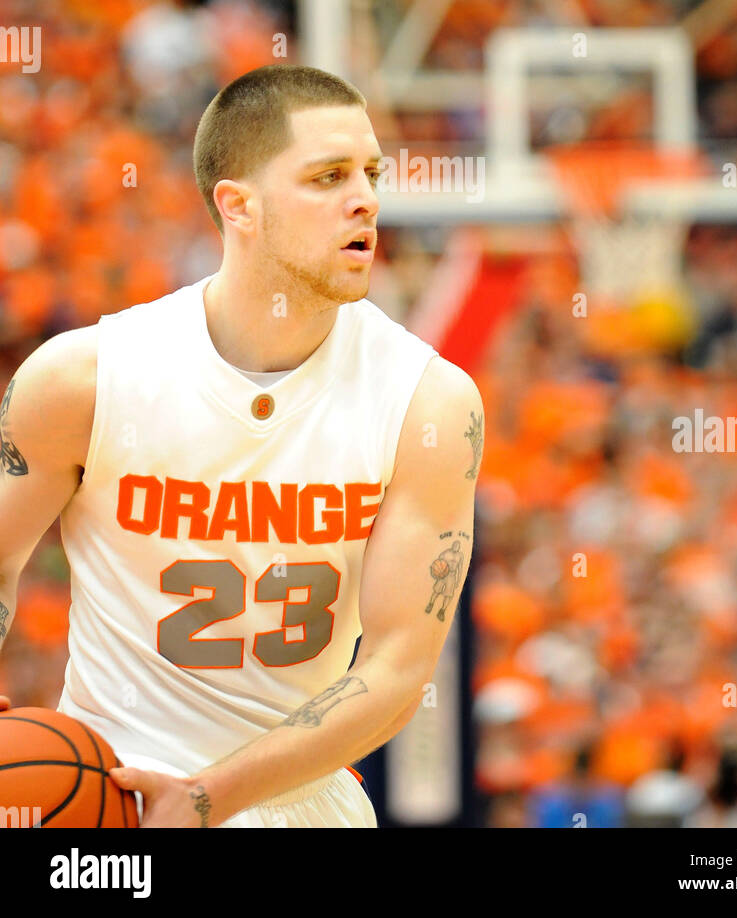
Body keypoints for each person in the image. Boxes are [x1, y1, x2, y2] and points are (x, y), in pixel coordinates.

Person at [0, 65, 483, 828]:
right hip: (110, 793)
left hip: (302, 804)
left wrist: (205, 799)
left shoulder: (430, 403)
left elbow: (397, 669)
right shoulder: (82, 380)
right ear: (239, 206)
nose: (365, 198)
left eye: (370, 173)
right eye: (328, 176)